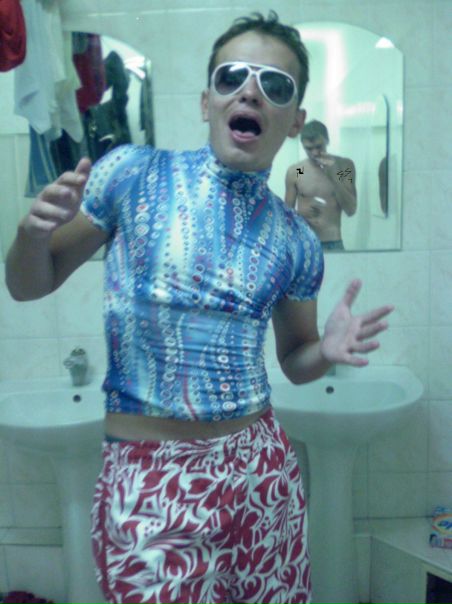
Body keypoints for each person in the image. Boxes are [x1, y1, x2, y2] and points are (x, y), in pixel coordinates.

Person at [5, 11, 393, 604]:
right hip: (150, 478)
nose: (250, 92)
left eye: (275, 85)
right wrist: (30, 237)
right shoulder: (132, 175)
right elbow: (29, 285)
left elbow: (296, 360)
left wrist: (327, 351)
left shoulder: (296, 239)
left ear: (294, 119)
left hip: (262, 475)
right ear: (206, 101)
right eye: (232, 76)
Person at [285, 120, 357, 251]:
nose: (315, 153)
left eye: (319, 146)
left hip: (333, 243)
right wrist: (300, 214)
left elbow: (351, 210)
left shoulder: (344, 166)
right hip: (304, 243)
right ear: (303, 146)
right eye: (309, 148)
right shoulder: (298, 171)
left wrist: (334, 176)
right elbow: (286, 216)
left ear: (327, 141)